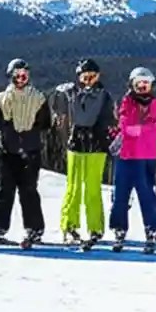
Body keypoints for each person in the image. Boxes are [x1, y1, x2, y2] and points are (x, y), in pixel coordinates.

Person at [0, 58, 52, 248]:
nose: (21, 79)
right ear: (11, 76)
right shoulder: (0, 99)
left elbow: (46, 122)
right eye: (17, 75)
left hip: (30, 151)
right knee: (4, 190)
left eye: (24, 75)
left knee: (28, 190)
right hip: (8, 150)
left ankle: (34, 228)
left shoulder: (38, 98)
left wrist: (28, 133)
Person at [51, 58, 116, 245]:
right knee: (73, 188)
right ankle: (69, 225)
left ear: (98, 76)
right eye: (84, 77)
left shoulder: (103, 95)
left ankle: (95, 228)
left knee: (92, 189)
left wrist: (72, 96)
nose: (88, 81)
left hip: (96, 145)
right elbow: (59, 108)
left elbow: (94, 118)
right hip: (77, 143)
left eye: (91, 77)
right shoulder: (75, 93)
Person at [109, 67, 156, 252]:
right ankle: (119, 228)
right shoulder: (127, 101)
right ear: (132, 85)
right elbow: (125, 124)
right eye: (138, 84)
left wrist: (137, 129)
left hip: (145, 156)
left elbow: (155, 126)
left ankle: (152, 229)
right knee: (120, 195)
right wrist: (139, 128)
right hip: (126, 155)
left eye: (145, 84)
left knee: (146, 194)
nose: (142, 87)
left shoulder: (155, 104)